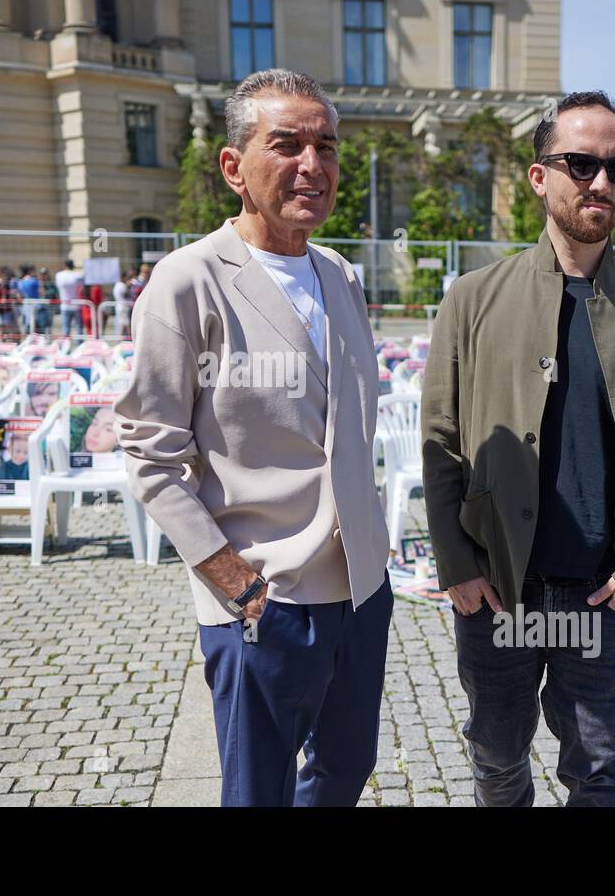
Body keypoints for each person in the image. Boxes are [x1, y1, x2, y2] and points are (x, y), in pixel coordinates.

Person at [420, 90, 615, 808]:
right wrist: (457, 568)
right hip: (498, 592)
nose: (601, 182)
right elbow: (440, 442)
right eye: (581, 163)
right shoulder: (473, 300)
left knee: (599, 774)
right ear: (539, 176)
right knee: (495, 762)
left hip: (603, 594)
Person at [114, 69, 391, 807]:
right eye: (288, 145)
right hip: (263, 599)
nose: (314, 165)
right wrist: (232, 579)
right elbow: (148, 449)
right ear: (234, 167)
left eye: (326, 147)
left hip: (360, 591)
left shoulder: (339, 275)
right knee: (258, 793)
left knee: (342, 773)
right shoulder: (188, 282)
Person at [54, 259, 83, 337]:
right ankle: (79, 347)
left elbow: (58, 286)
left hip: (65, 305)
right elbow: (82, 287)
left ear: (65, 265)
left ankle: (66, 347)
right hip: (77, 305)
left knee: (66, 330)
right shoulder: (78, 275)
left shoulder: (59, 275)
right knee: (79, 329)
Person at [17, 265, 41, 335]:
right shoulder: (34, 281)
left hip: (25, 303)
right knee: (35, 323)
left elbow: (19, 296)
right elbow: (41, 292)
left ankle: (28, 337)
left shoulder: (20, 282)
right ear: (30, 271)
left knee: (27, 322)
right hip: (35, 303)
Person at [112, 269, 132, 338]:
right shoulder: (122, 285)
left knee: (123, 324)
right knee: (126, 324)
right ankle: (128, 340)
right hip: (123, 306)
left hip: (119, 306)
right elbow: (127, 294)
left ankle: (121, 340)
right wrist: (128, 286)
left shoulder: (117, 284)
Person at [35, 268, 54, 335]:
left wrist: (46, 292)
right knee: (40, 325)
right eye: (42, 274)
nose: (43, 276)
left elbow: (53, 292)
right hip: (40, 307)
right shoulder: (37, 283)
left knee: (48, 325)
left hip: (48, 307)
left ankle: (48, 339)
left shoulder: (50, 283)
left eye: (45, 274)